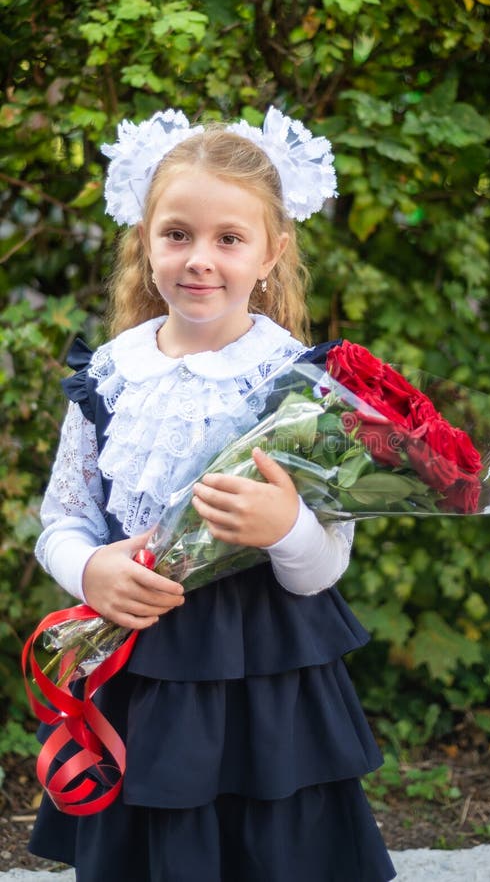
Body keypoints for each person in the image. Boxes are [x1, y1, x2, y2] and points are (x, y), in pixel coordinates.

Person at [29, 106, 397, 882]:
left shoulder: (301, 385)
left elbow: (323, 566)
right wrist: (88, 571)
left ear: (272, 253)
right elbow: (64, 518)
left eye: (229, 239)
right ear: (145, 242)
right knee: (156, 844)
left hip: (265, 670)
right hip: (140, 660)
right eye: (177, 234)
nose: (200, 259)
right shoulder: (107, 376)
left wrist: (285, 525)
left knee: (275, 846)